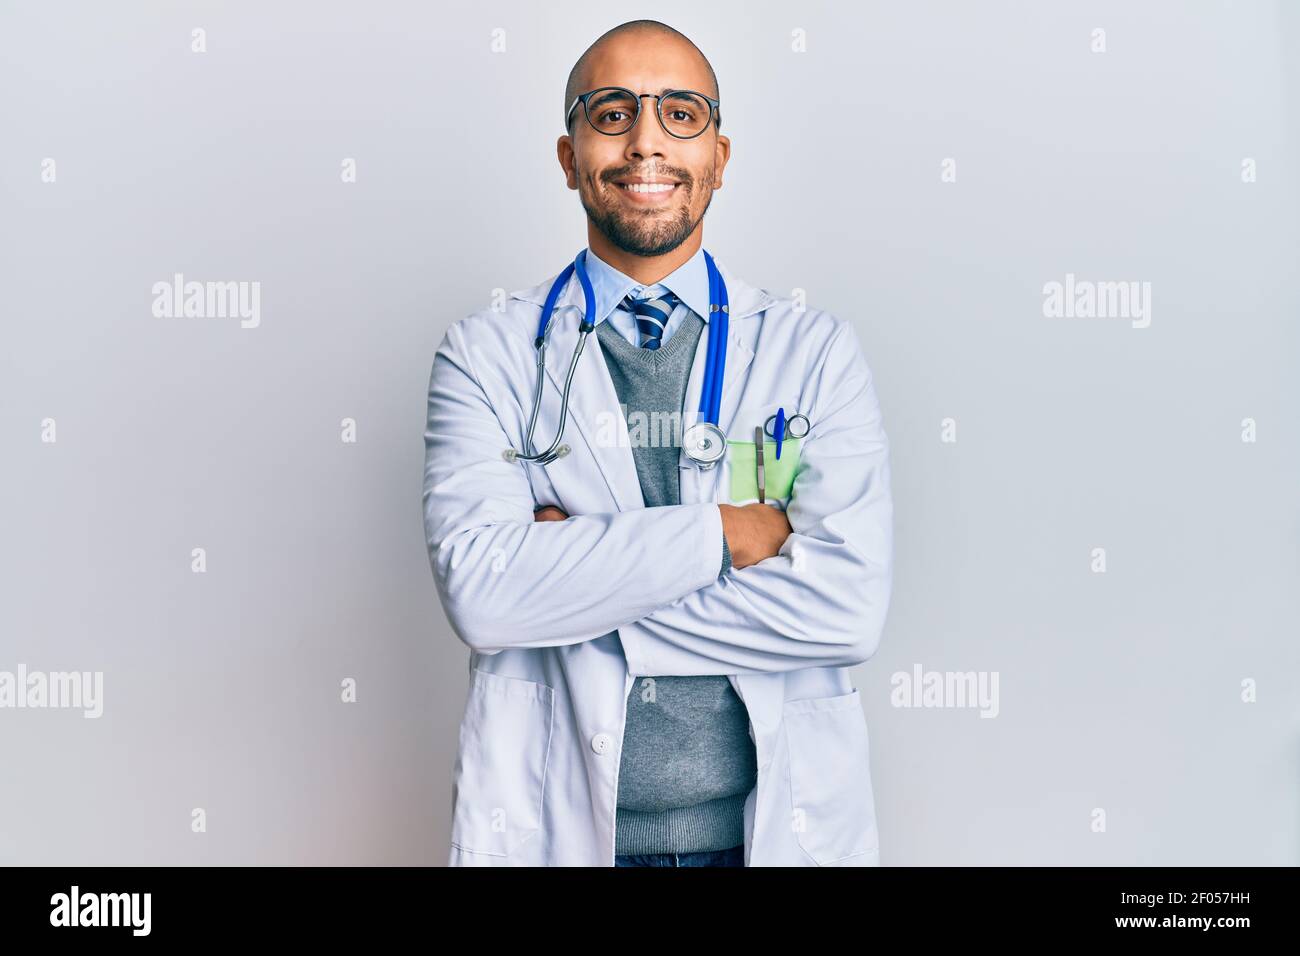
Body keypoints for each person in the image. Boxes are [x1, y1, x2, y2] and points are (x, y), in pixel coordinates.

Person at [423, 19, 893, 867]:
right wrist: (725, 535)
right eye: (611, 113)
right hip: (560, 836)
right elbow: (486, 598)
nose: (646, 143)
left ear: (718, 156)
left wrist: (576, 593)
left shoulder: (813, 353)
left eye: (680, 114)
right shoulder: (486, 354)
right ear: (568, 156)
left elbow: (848, 609)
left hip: (764, 837)